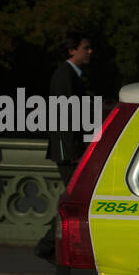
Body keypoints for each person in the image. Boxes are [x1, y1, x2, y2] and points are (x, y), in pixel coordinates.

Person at [35, 31, 94, 261]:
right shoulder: (65, 76)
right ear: (72, 50)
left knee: (73, 201)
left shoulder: (71, 75)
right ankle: (48, 245)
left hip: (69, 150)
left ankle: (50, 245)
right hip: (69, 152)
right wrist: (74, 153)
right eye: (85, 47)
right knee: (74, 201)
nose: (89, 52)